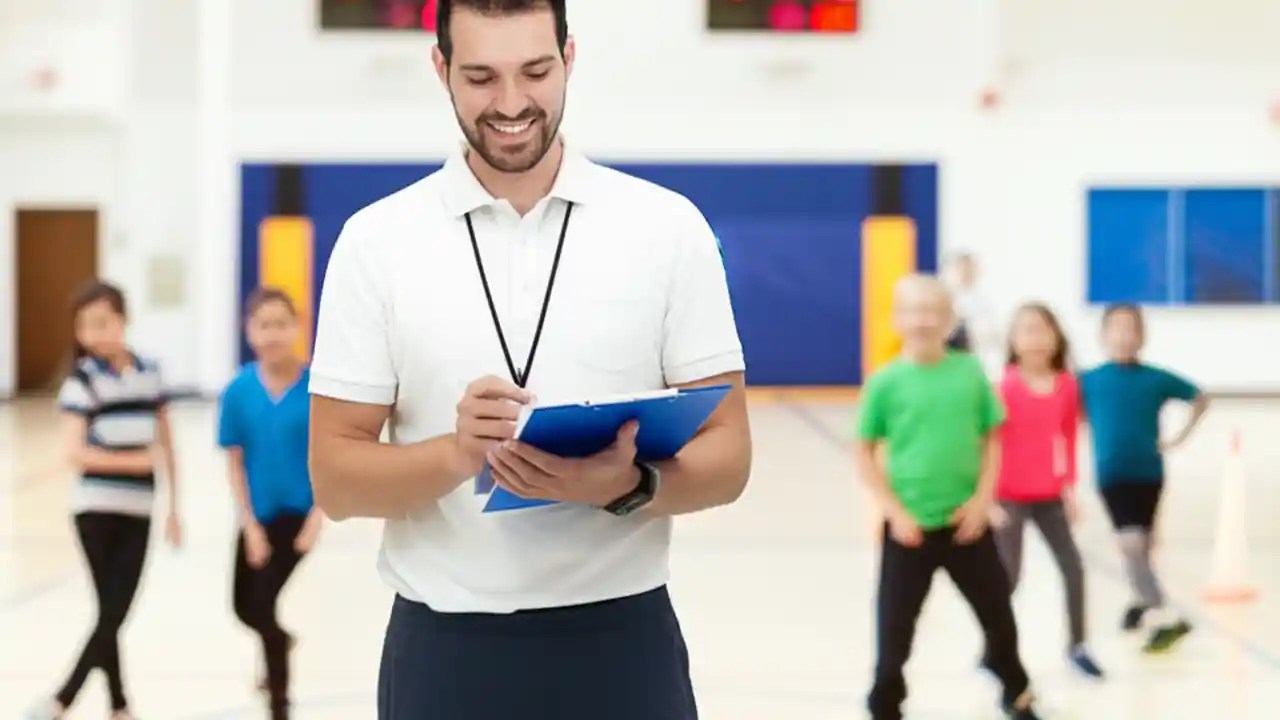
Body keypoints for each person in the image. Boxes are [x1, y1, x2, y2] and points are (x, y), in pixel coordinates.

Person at [306, 1, 752, 718]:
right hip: (443, 653)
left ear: (569, 58)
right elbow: (336, 480)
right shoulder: (376, 242)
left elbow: (730, 457)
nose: (511, 103)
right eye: (481, 77)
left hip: (622, 643)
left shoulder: (667, 228)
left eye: (535, 71)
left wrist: (625, 485)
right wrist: (455, 453)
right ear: (441, 69)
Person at [855, 274, 1041, 720]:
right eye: (914, 311)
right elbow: (863, 449)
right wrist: (893, 511)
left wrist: (981, 501)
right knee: (895, 628)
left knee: (998, 614)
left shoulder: (969, 372)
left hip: (966, 524)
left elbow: (991, 438)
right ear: (898, 319)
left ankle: (1014, 687)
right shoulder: (886, 382)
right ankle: (885, 700)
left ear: (950, 319)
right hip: (910, 529)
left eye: (934, 311)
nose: (924, 320)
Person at [28, 281, 183, 720]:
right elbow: (75, 453)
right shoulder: (80, 382)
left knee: (112, 611)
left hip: (140, 512)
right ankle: (65, 699)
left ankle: (117, 704)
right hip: (94, 510)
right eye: (85, 326)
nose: (95, 334)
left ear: (123, 319)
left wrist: (174, 507)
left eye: (103, 322)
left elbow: (168, 445)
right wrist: (135, 463)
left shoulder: (150, 372)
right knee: (112, 611)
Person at [217, 287, 324, 720]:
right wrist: (248, 525)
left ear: (297, 329)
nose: (273, 333)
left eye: (282, 323)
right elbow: (235, 462)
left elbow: (328, 455)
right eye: (264, 324)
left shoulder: (317, 388)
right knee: (242, 607)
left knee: (261, 605)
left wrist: (319, 518)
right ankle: (281, 640)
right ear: (250, 331)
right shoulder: (238, 391)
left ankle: (280, 704)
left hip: (298, 516)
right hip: (257, 517)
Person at [1079, 303, 1209, 654]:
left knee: (1143, 549)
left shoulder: (1155, 378)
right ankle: (1163, 611)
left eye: (1131, 329)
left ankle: (1139, 603)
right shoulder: (1089, 380)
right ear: (1103, 335)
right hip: (1112, 476)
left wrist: (1179, 438)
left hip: (1149, 476)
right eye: (1116, 329)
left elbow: (1199, 397)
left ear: (1142, 336)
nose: (1124, 336)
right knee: (1130, 544)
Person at [992, 303, 1103, 679]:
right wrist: (987, 497)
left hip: (1049, 495)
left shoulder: (1068, 386)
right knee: (1008, 577)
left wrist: (1068, 488)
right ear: (1013, 340)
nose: (1035, 338)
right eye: (1025, 330)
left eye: (1042, 330)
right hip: (1008, 496)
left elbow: (1069, 438)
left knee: (1073, 569)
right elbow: (988, 442)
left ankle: (1078, 646)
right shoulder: (1004, 385)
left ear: (1055, 337)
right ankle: (993, 651)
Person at [946, 252, 998, 373]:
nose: (965, 272)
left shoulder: (984, 300)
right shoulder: (947, 297)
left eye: (968, 268)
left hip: (976, 353)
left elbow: (991, 331)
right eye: (961, 268)